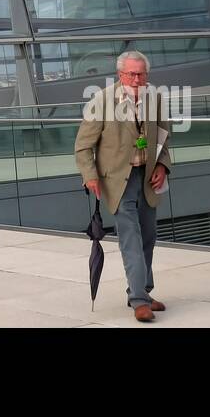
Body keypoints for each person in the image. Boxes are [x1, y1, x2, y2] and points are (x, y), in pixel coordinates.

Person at [73, 50, 172, 322]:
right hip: (117, 180)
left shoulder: (155, 98)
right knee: (131, 238)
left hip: (148, 178)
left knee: (148, 236)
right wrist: (90, 175)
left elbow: (164, 136)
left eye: (141, 73)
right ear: (120, 74)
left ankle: (142, 291)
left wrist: (163, 166)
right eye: (131, 73)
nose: (137, 78)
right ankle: (139, 301)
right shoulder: (101, 101)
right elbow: (83, 146)